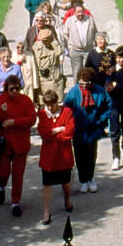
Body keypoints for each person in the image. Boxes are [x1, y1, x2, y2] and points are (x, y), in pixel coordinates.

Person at [0, 74, 37, 217]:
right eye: (12, 89)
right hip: (4, 145)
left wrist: (14, 122)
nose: (15, 91)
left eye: (17, 88)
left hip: (20, 144)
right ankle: (1, 187)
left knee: (18, 175)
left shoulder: (26, 100)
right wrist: (1, 111)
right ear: (6, 89)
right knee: (3, 173)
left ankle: (15, 202)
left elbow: (32, 119)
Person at [63, 68, 111, 193]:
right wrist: (70, 123)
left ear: (92, 82)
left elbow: (108, 106)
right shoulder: (74, 92)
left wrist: (101, 120)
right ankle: (83, 180)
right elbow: (66, 109)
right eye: (81, 83)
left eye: (87, 83)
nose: (84, 85)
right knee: (79, 155)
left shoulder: (99, 91)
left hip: (93, 128)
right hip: (78, 129)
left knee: (91, 154)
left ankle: (91, 178)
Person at [37, 89, 76, 223]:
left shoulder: (67, 112)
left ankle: (67, 199)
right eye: (47, 105)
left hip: (63, 154)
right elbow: (43, 132)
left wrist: (52, 134)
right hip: (48, 156)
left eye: (51, 105)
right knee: (46, 183)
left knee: (66, 181)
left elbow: (69, 132)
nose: (49, 108)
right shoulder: (42, 114)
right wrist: (58, 129)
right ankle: (46, 211)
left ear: (56, 103)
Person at [63, 3, 97, 85]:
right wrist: (69, 46)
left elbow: (96, 32)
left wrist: (95, 46)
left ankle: (88, 87)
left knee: (88, 72)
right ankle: (77, 88)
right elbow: (65, 34)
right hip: (75, 50)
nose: (80, 14)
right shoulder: (70, 21)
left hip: (88, 50)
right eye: (78, 12)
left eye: (82, 12)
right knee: (77, 72)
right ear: (74, 12)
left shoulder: (90, 19)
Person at [35, 21, 65, 103]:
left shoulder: (55, 45)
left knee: (57, 101)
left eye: (47, 40)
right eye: (43, 40)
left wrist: (54, 41)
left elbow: (61, 51)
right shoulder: (37, 47)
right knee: (44, 101)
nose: (45, 42)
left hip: (55, 77)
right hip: (43, 79)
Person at [0, 44, 23, 108]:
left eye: (7, 56)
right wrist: (1, 89)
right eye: (3, 57)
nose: (6, 59)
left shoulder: (16, 68)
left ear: (10, 56)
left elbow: (22, 84)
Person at [13, 38, 41, 105]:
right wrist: (19, 62)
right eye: (18, 47)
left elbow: (34, 71)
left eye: (22, 47)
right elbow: (12, 70)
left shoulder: (30, 56)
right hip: (18, 84)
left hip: (29, 83)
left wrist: (35, 84)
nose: (20, 49)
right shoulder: (12, 55)